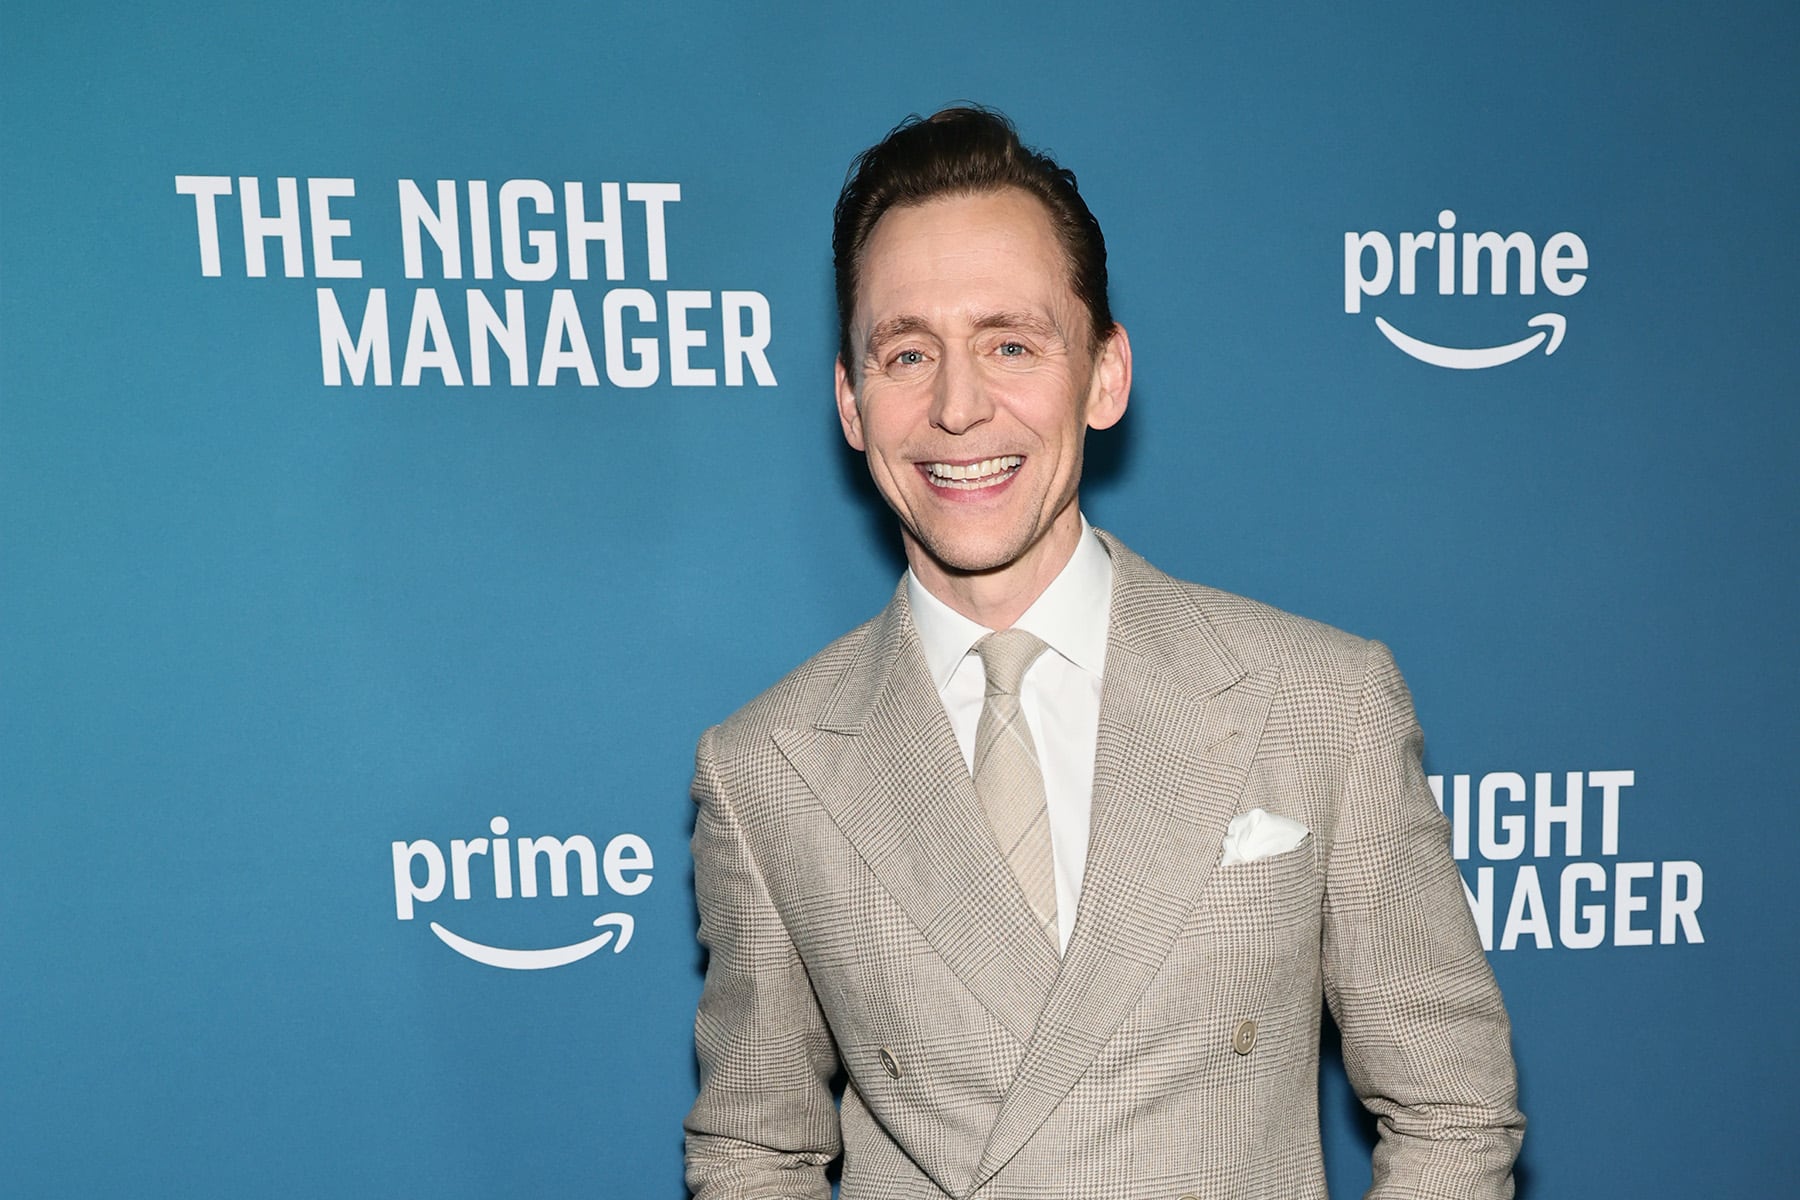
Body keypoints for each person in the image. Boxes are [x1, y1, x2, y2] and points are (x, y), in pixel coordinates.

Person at [684, 106, 1523, 1200]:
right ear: (851, 400)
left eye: (1010, 345)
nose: (957, 407)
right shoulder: (765, 770)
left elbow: (1454, 1108)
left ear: (1105, 376)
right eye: (907, 354)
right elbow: (755, 1148)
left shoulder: (1320, 700)